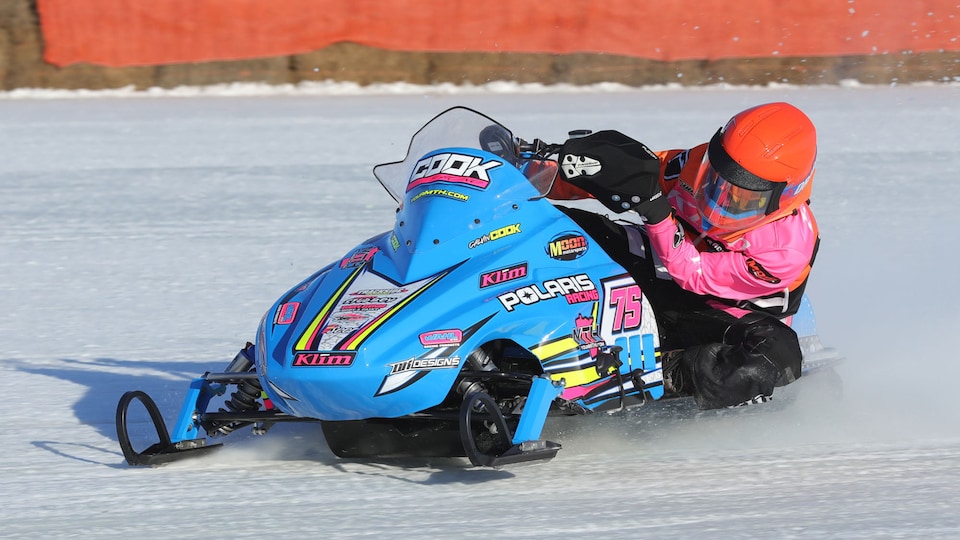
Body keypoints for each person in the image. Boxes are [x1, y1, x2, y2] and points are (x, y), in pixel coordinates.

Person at [551, 102, 820, 409]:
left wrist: (656, 212)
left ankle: (671, 375)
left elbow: (694, 273)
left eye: (745, 198)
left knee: (775, 355)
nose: (720, 200)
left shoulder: (787, 246)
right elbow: (631, 177)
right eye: (716, 179)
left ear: (786, 196)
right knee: (561, 228)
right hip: (659, 268)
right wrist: (549, 174)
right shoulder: (693, 164)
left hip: (720, 313)